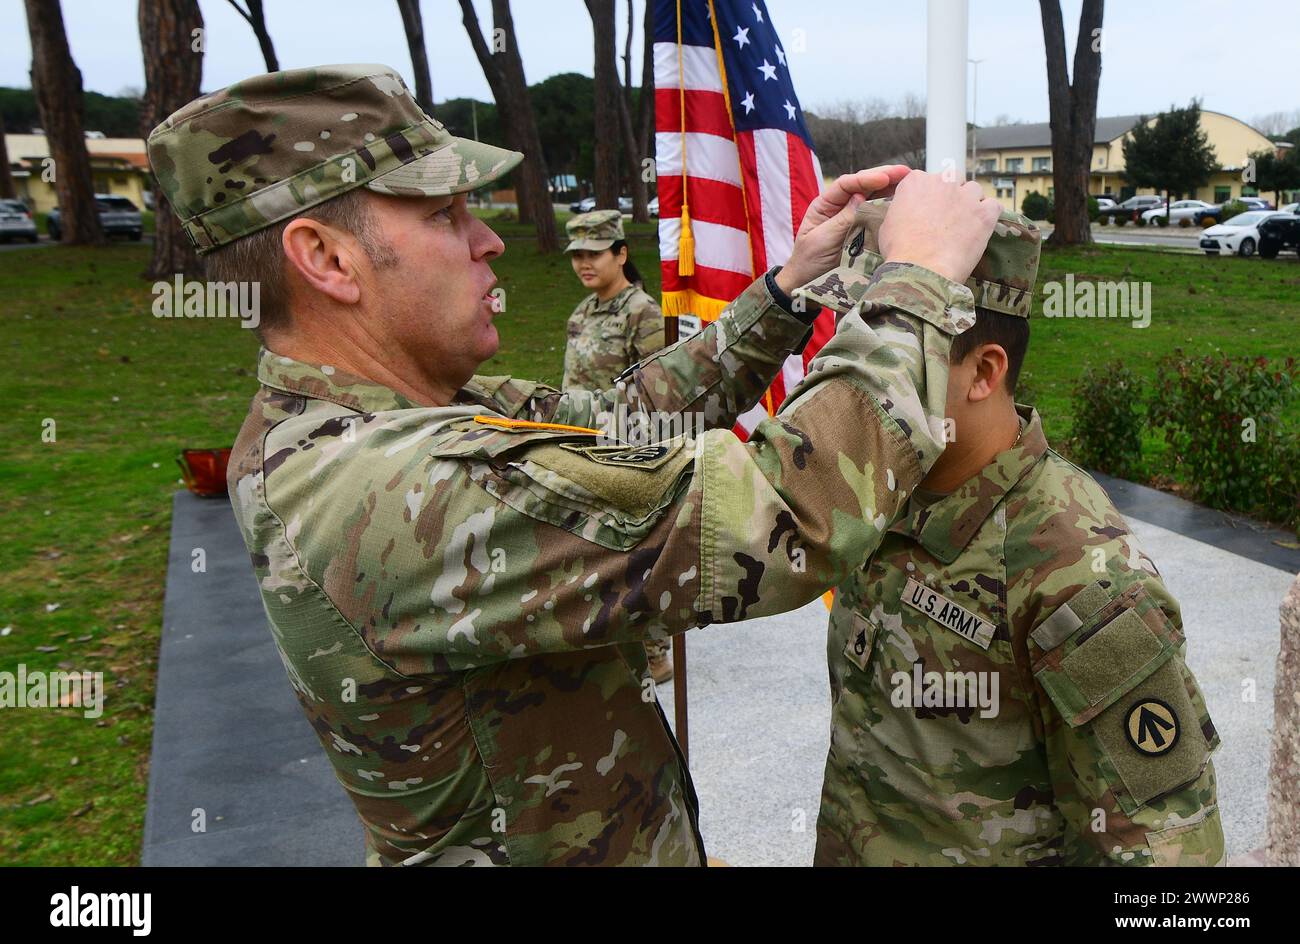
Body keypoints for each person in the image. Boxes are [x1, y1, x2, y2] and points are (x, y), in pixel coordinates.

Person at [147, 62, 999, 866]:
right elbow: (787, 515)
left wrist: (787, 286)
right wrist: (917, 281)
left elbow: (633, 420)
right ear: (326, 258)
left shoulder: (375, 416)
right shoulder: (390, 481)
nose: (490, 241)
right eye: (445, 215)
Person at [799, 201, 1225, 866]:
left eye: (890, 348)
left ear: (984, 372)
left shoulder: (1080, 577)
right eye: (848, 336)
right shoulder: (883, 491)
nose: (849, 369)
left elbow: (1168, 859)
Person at [561, 209, 673, 682]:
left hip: (627, 452)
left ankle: (656, 653)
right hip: (582, 447)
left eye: (595, 253)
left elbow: (659, 391)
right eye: (577, 255)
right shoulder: (582, 313)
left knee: (633, 555)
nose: (584, 263)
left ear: (621, 254)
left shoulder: (642, 313)